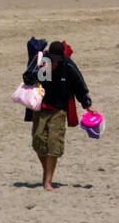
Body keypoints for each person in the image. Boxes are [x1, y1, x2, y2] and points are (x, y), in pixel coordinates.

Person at [23, 40, 94, 191]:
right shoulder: (43, 61)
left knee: (54, 144)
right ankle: (47, 170)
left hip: (59, 110)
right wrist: (39, 69)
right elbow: (26, 78)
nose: (54, 63)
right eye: (52, 60)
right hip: (40, 109)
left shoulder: (67, 65)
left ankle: (47, 181)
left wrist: (87, 104)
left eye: (57, 60)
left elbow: (79, 85)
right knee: (38, 141)